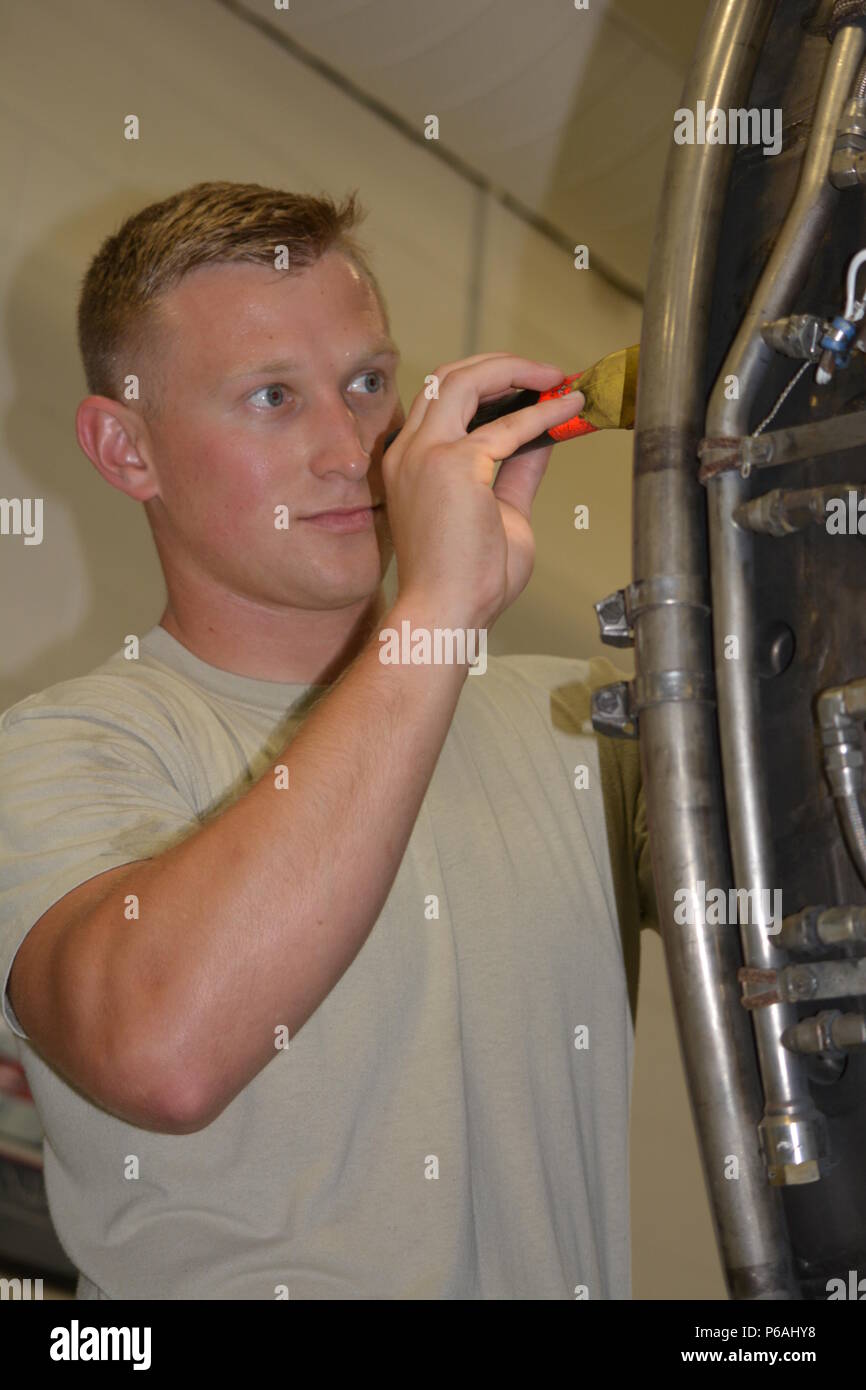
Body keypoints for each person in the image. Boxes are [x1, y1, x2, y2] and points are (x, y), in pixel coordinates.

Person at [0, 181, 657, 1300]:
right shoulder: (65, 750)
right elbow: (164, 1051)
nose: (349, 448)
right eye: (270, 396)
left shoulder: (579, 721)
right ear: (126, 449)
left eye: (365, 383)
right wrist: (437, 610)